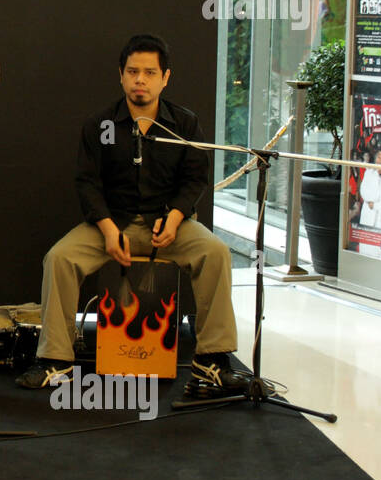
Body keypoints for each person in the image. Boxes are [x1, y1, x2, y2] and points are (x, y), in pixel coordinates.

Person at [17, 33, 245, 393]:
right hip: (114, 223)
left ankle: (210, 361)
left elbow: (194, 179)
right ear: (120, 75)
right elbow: (87, 183)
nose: (140, 80)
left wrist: (174, 219)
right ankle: (55, 362)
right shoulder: (100, 125)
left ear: (165, 77)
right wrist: (107, 230)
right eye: (133, 71)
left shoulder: (184, 124)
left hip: (168, 225)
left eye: (150, 73)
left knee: (215, 252)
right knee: (59, 258)